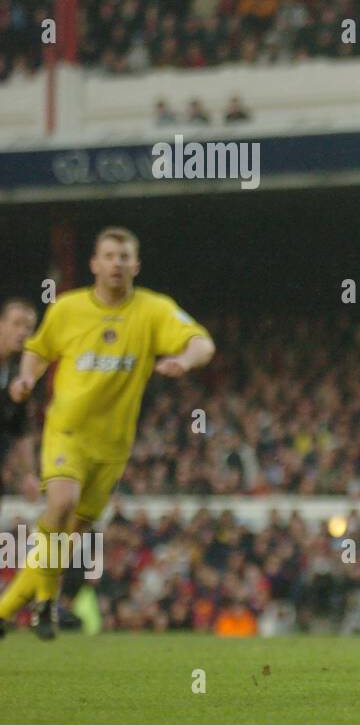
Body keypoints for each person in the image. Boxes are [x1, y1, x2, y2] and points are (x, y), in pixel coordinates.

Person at [0, 228, 215, 640]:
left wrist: (185, 361)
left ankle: (11, 609)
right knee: (61, 503)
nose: (117, 263)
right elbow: (38, 349)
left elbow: (203, 342)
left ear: (136, 265)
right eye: (109, 256)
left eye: (124, 256)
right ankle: (43, 603)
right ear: (94, 265)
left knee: (71, 536)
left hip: (113, 446)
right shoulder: (68, 308)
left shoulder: (154, 311)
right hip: (67, 431)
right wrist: (27, 379)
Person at [0, 299, 40, 510]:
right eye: (16, 324)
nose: (23, 332)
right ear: (1, 324)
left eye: (28, 327)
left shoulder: (19, 374)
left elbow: (21, 429)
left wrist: (29, 474)